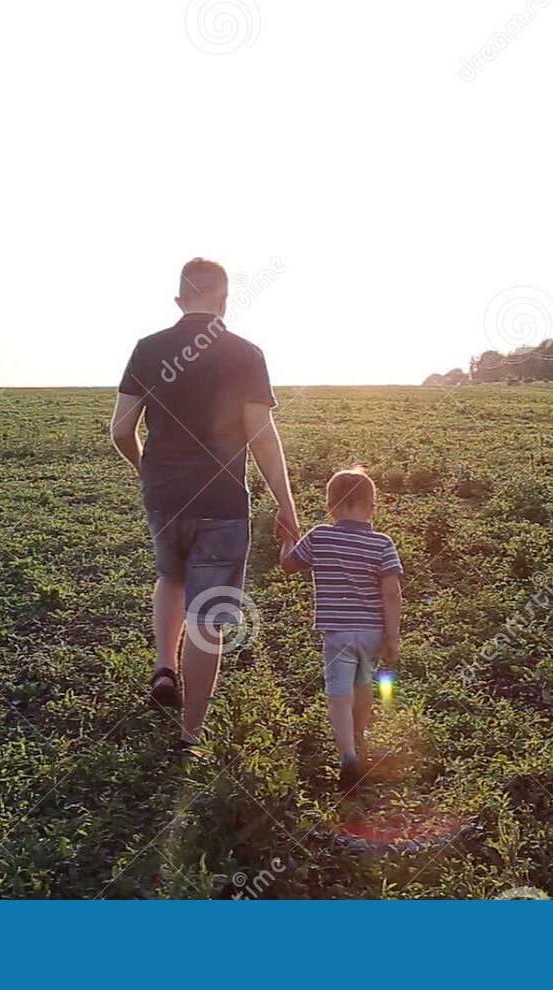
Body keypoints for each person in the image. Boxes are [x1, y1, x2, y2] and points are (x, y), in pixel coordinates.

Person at [111, 258, 300, 758]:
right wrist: (286, 504)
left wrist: (145, 471)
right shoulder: (244, 354)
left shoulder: (148, 349)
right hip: (221, 502)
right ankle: (190, 737)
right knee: (208, 617)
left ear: (179, 300)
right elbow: (262, 435)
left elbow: (119, 431)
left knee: (170, 578)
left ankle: (163, 670)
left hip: (163, 495)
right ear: (224, 300)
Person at [279, 467, 403, 792]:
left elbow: (289, 565)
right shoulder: (383, 544)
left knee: (339, 692)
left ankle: (347, 754)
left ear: (331, 507)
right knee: (364, 684)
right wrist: (393, 635)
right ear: (372, 508)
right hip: (372, 632)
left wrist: (288, 539)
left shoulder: (320, 536)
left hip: (338, 632)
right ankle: (360, 736)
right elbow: (392, 592)